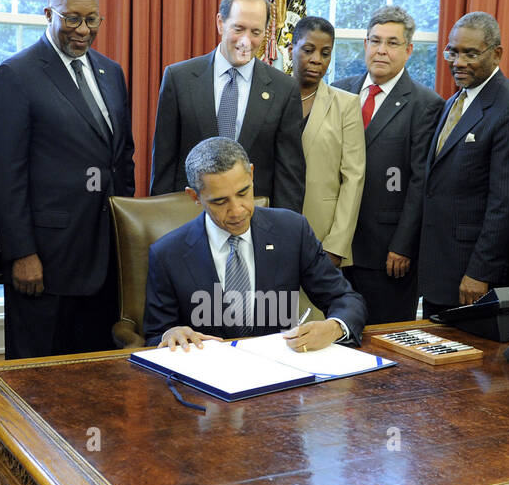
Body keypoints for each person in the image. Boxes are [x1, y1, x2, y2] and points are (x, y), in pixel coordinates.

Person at [0, 0, 136, 358]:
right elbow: (4, 175)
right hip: (46, 262)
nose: (83, 30)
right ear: (48, 14)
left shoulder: (111, 72)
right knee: (37, 380)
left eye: (92, 20)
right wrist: (21, 253)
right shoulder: (16, 75)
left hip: (105, 257)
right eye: (72, 19)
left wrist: (126, 233)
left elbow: (122, 159)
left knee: (94, 374)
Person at [144, 137, 367, 351]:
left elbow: (344, 298)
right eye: (220, 201)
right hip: (206, 378)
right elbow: (155, 334)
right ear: (194, 196)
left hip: (283, 371)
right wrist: (170, 335)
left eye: (243, 193)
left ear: (251, 174)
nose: (237, 210)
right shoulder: (167, 254)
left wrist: (335, 327)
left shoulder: (291, 230)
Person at [418, 12, 509, 314]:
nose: (458, 62)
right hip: (439, 266)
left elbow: (507, 203)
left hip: (471, 275)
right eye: (453, 51)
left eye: (470, 54)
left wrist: (480, 272)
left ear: (496, 53)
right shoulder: (455, 101)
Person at [149, 0, 305, 210]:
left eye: (256, 32)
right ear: (220, 23)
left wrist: (283, 233)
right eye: (239, 29)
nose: (246, 41)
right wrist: (162, 222)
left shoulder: (284, 89)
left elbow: (289, 175)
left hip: (254, 222)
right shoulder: (179, 79)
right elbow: (164, 164)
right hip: (191, 218)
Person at [333, 6, 443, 325]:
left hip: (387, 252)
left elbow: (421, 181)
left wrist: (403, 245)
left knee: (384, 340)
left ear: (408, 50)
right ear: (365, 44)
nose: (381, 50)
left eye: (392, 43)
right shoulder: (340, 90)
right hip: (336, 246)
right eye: (375, 40)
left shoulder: (425, 104)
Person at [289, 16, 364, 269]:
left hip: (322, 236)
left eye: (325, 53)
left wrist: (336, 245)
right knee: (272, 308)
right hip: (271, 230)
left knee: (314, 309)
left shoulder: (346, 104)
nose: (317, 60)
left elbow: (353, 179)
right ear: (292, 49)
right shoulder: (270, 97)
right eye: (308, 50)